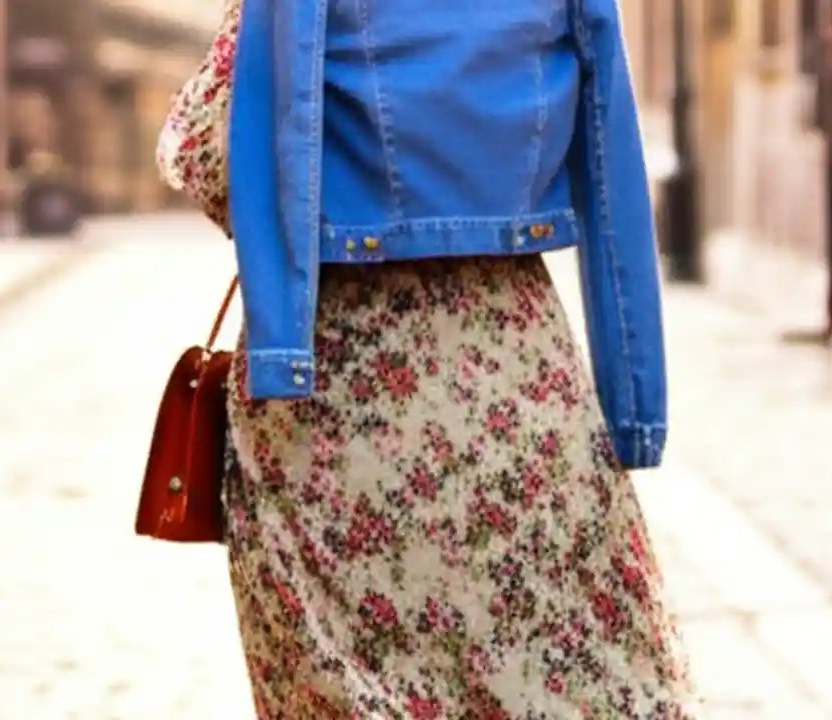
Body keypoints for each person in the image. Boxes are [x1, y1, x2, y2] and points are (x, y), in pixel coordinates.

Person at [160, 0, 700, 716]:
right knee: (566, 682)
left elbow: (203, 154)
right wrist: (635, 405)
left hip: (336, 393)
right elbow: (612, 163)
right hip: (518, 379)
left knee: (354, 687)